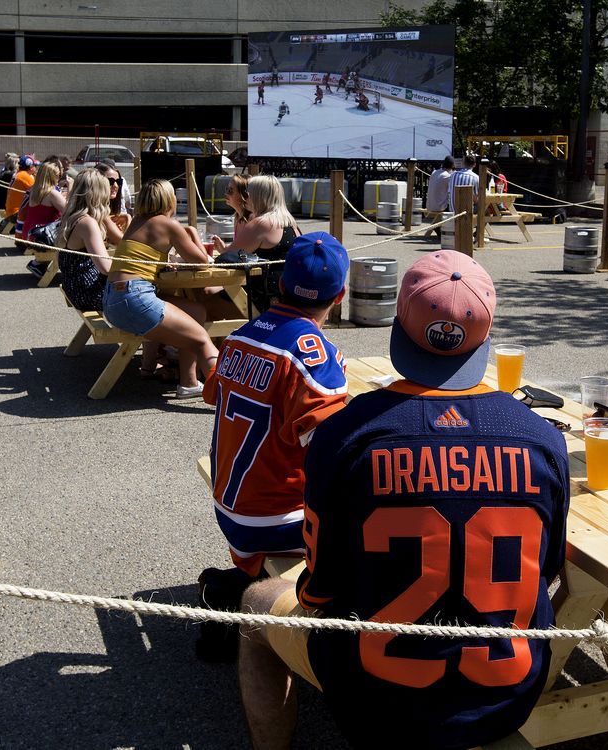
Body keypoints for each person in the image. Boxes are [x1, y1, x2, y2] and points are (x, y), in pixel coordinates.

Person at [236, 250, 571, 750]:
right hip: (504, 695)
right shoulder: (542, 438)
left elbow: (318, 595)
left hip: (377, 697)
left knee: (255, 602)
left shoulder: (347, 434)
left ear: (399, 324)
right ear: (486, 335)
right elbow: (546, 572)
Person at [196, 232, 350, 661]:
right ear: (339, 296)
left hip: (229, 503)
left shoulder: (242, 335)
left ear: (281, 283)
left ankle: (233, 588)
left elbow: (215, 392)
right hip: (273, 519)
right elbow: (335, 451)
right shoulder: (313, 353)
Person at [104, 179, 218, 399]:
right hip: (134, 299)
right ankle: (229, 393)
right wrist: (191, 231)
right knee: (202, 339)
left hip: (114, 300)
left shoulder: (136, 221)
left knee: (196, 313)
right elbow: (202, 261)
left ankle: (189, 383)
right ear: (169, 200)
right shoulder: (168, 225)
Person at [213, 174, 301, 311]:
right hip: (288, 295)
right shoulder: (291, 223)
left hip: (261, 299)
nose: (245, 197)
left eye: (248, 193)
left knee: (203, 301)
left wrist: (221, 250)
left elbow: (227, 258)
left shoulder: (261, 223)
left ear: (259, 196)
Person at [56, 168, 113, 314]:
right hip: (89, 293)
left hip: (76, 290)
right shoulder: (87, 223)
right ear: (99, 193)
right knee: (151, 290)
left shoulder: (72, 217)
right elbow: (106, 268)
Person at [21, 161, 66, 278]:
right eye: (58, 175)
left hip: (30, 233)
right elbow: (69, 211)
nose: (59, 177)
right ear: (52, 176)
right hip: (42, 237)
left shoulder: (34, 191)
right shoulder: (52, 194)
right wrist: (70, 187)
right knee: (74, 228)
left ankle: (38, 264)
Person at [425, 156, 454, 239]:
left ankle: (438, 228)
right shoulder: (447, 176)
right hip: (439, 207)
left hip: (430, 205)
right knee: (455, 206)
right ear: (452, 165)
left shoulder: (434, 172)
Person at [5, 154, 37, 220]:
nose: (36, 168)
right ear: (31, 167)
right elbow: (38, 192)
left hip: (11, 211)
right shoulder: (25, 176)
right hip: (16, 213)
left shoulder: (19, 173)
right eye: (35, 166)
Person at [0, 153, 18, 224]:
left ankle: (7, 222)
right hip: (2, 203)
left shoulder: (4, 172)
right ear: (15, 164)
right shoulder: (11, 175)